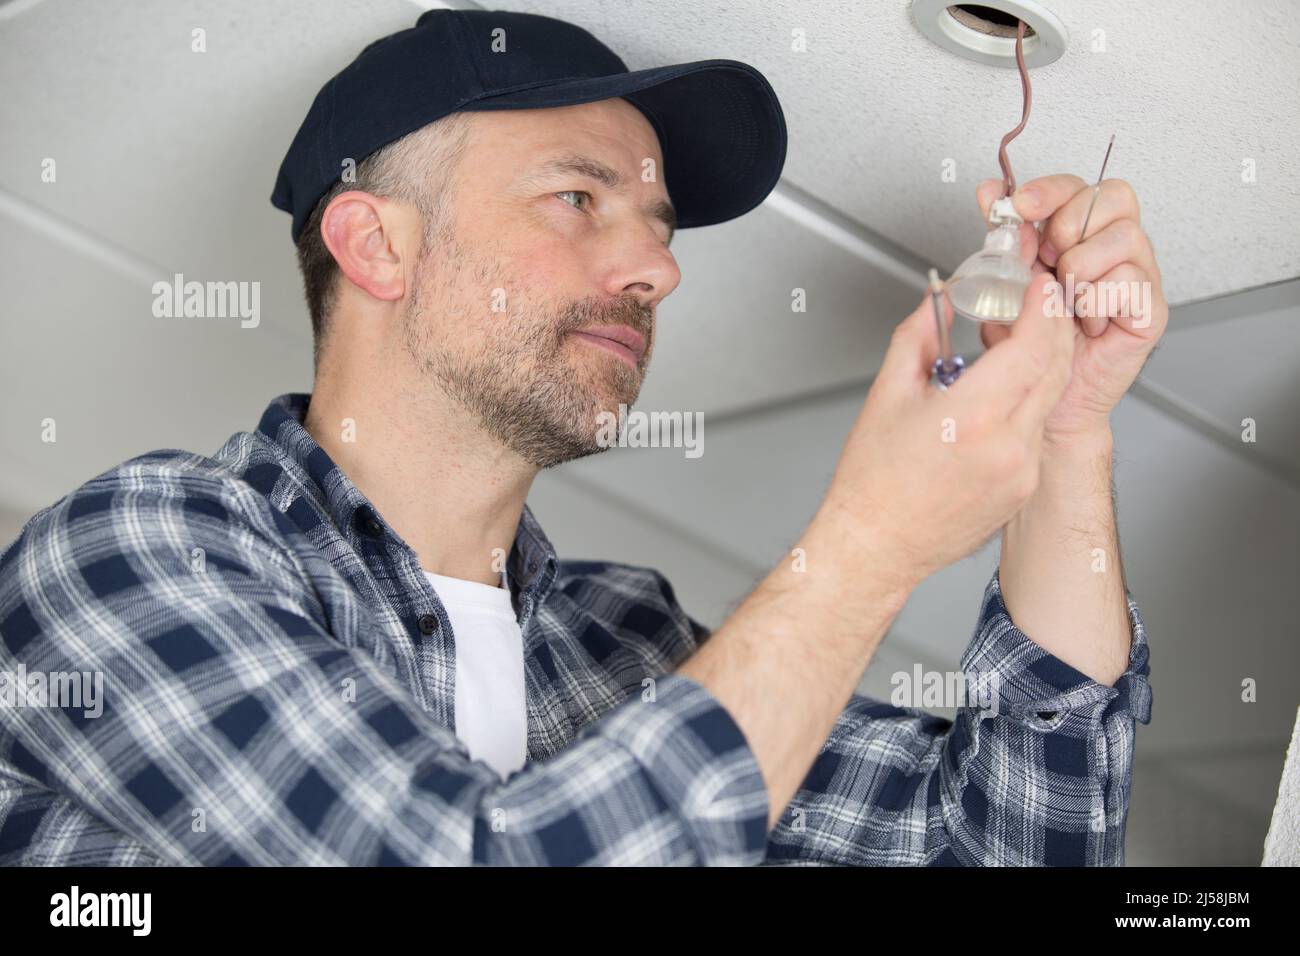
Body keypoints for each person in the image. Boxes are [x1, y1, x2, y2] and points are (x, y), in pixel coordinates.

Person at [0, 9, 1162, 866]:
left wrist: (1068, 429)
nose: (657, 268)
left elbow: (1010, 844)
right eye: (577, 199)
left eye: (657, 228)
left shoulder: (625, 640)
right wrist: (868, 543)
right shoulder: (138, 549)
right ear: (375, 245)